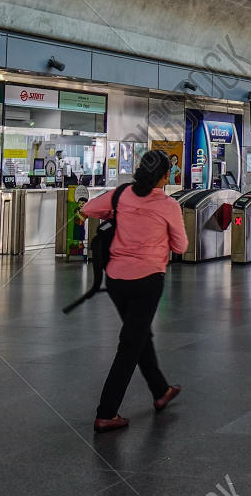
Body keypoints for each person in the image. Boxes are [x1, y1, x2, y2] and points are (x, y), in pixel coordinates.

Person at [80, 149, 187, 434]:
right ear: (165, 176)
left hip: (115, 279)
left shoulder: (120, 194)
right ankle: (106, 413)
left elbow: (88, 209)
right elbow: (181, 247)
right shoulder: (167, 205)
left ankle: (160, 389)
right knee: (130, 344)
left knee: (138, 333)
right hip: (148, 280)